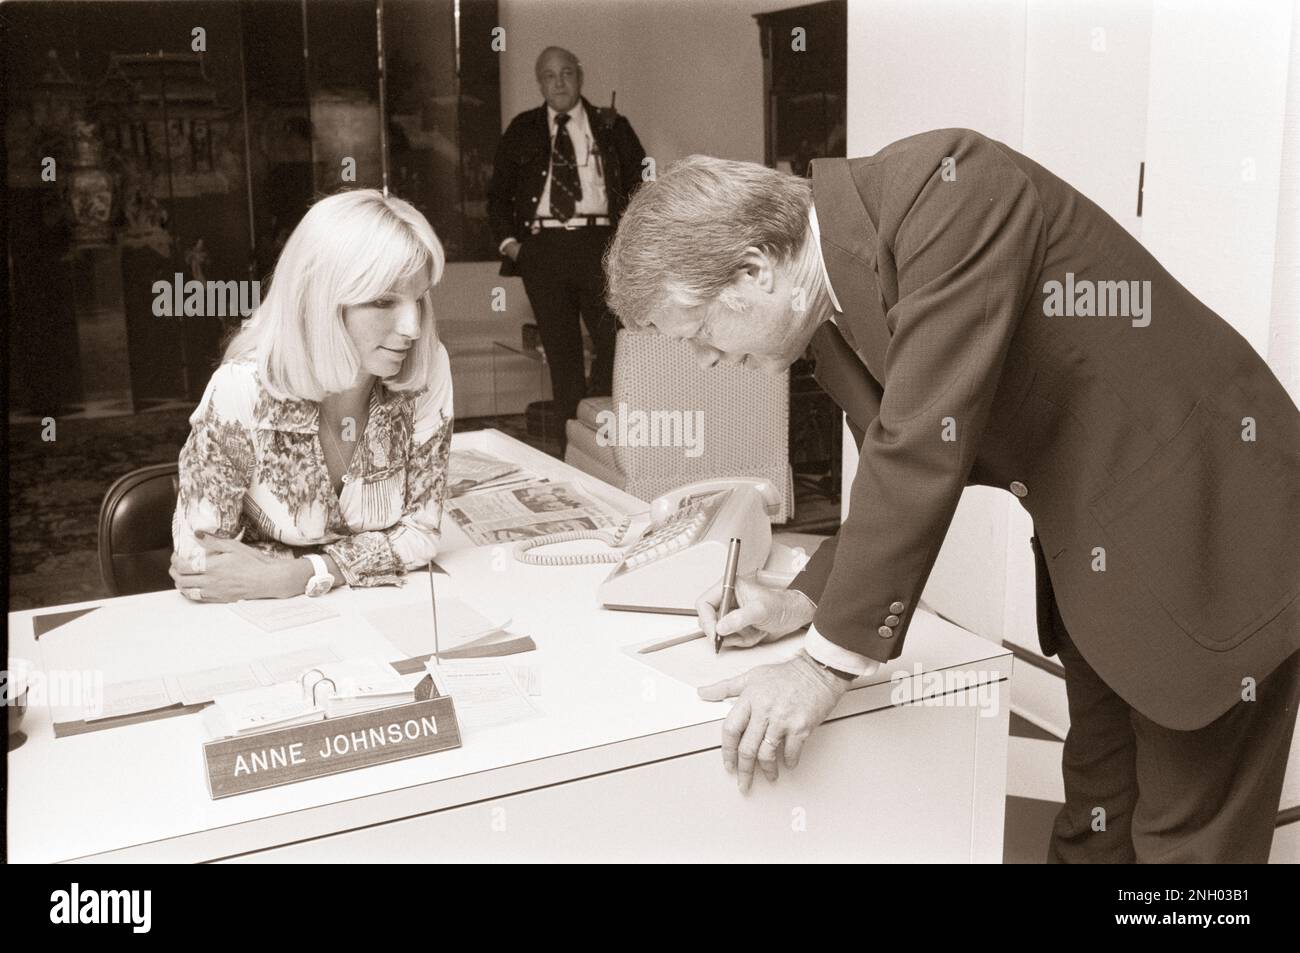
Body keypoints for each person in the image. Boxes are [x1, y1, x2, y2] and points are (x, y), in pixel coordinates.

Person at [603, 130, 1300, 863]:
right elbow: (892, 459)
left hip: (1216, 538)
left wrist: (819, 667)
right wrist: (803, 598)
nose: (707, 361)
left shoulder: (951, 186)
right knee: (1099, 816)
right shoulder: (829, 314)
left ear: (754, 269)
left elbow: (920, 450)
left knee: (1187, 852)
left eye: (699, 332)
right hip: (1106, 567)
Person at [169, 189, 454, 602]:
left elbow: (422, 532)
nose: (412, 327)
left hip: (380, 609)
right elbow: (202, 566)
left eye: (419, 299)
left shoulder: (427, 365)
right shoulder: (242, 388)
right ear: (321, 302)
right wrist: (361, 560)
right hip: (262, 625)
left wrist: (302, 572)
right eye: (383, 302)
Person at [488, 45, 646, 442]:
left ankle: (598, 431)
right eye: (549, 75)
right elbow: (497, 195)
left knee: (614, 340)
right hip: (542, 250)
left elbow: (641, 186)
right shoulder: (522, 129)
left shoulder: (612, 125)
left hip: (600, 245)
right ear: (540, 82)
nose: (558, 82)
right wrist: (512, 245)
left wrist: (628, 245)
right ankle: (568, 452)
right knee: (562, 356)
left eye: (566, 73)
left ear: (580, 76)